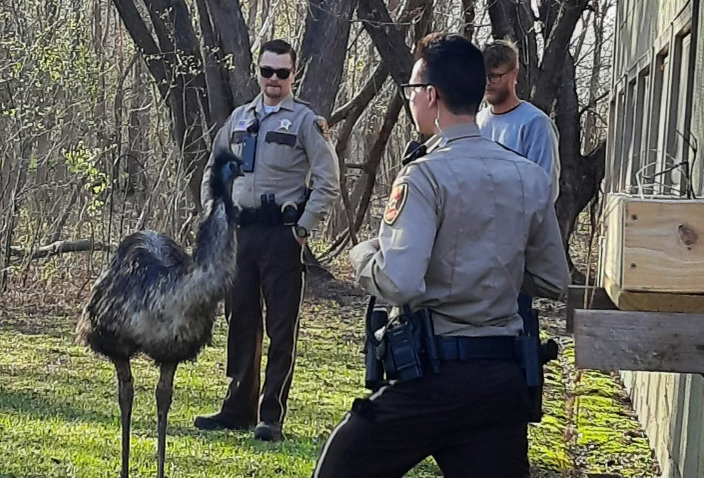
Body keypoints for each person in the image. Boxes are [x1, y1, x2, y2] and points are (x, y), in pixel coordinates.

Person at [311, 33, 568, 477]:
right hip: (502, 380)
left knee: (340, 467)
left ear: (431, 96)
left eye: (413, 90)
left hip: (433, 377)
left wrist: (364, 256)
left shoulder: (425, 175)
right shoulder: (528, 177)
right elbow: (552, 279)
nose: (412, 100)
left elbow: (400, 281)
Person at [194, 39, 340, 442]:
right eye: (267, 72)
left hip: (282, 236)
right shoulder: (240, 118)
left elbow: (329, 181)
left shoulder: (307, 122)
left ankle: (270, 415)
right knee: (240, 320)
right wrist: (215, 213)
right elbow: (214, 169)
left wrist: (304, 228)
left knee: (281, 325)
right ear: (258, 72)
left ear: (294, 75)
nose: (273, 80)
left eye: (282, 73)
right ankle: (238, 408)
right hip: (240, 235)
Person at [477, 39, 561, 203]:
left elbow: (545, 190)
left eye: (494, 76)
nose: (487, 83)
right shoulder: (477, 122)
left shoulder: (535, 124)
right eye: (482, 75)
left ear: (514, 74)